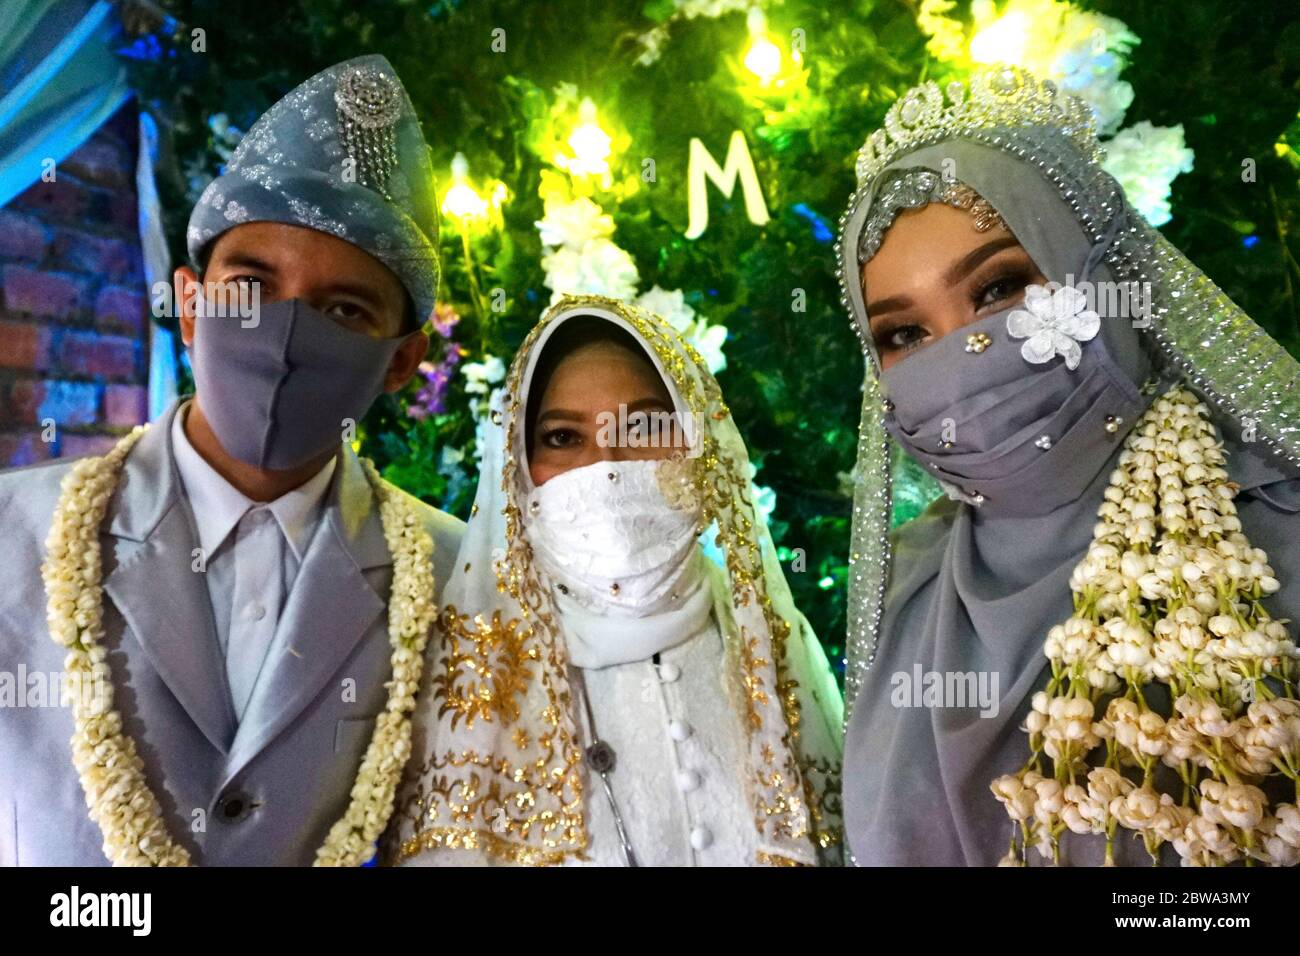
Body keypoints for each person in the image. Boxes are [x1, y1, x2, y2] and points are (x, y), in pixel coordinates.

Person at [0, 54, 463, 866]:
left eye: (344, 310)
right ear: (188, 304)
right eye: (250, 286)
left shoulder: (459, 574)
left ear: (401, 361)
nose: (284, 337)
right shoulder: (12, 534)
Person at [836, 66, 1300, 866]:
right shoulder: (906, 586)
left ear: (1112, 280)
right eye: (905, 337)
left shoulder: (1270, 537)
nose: (960, 356)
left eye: (1000, 287)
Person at [384, 294, 843, 866]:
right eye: (562, 437)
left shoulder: (773, 641)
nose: (606, 463)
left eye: (644, 426)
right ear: (519, 469)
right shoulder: (470, 665)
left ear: (700, 446)